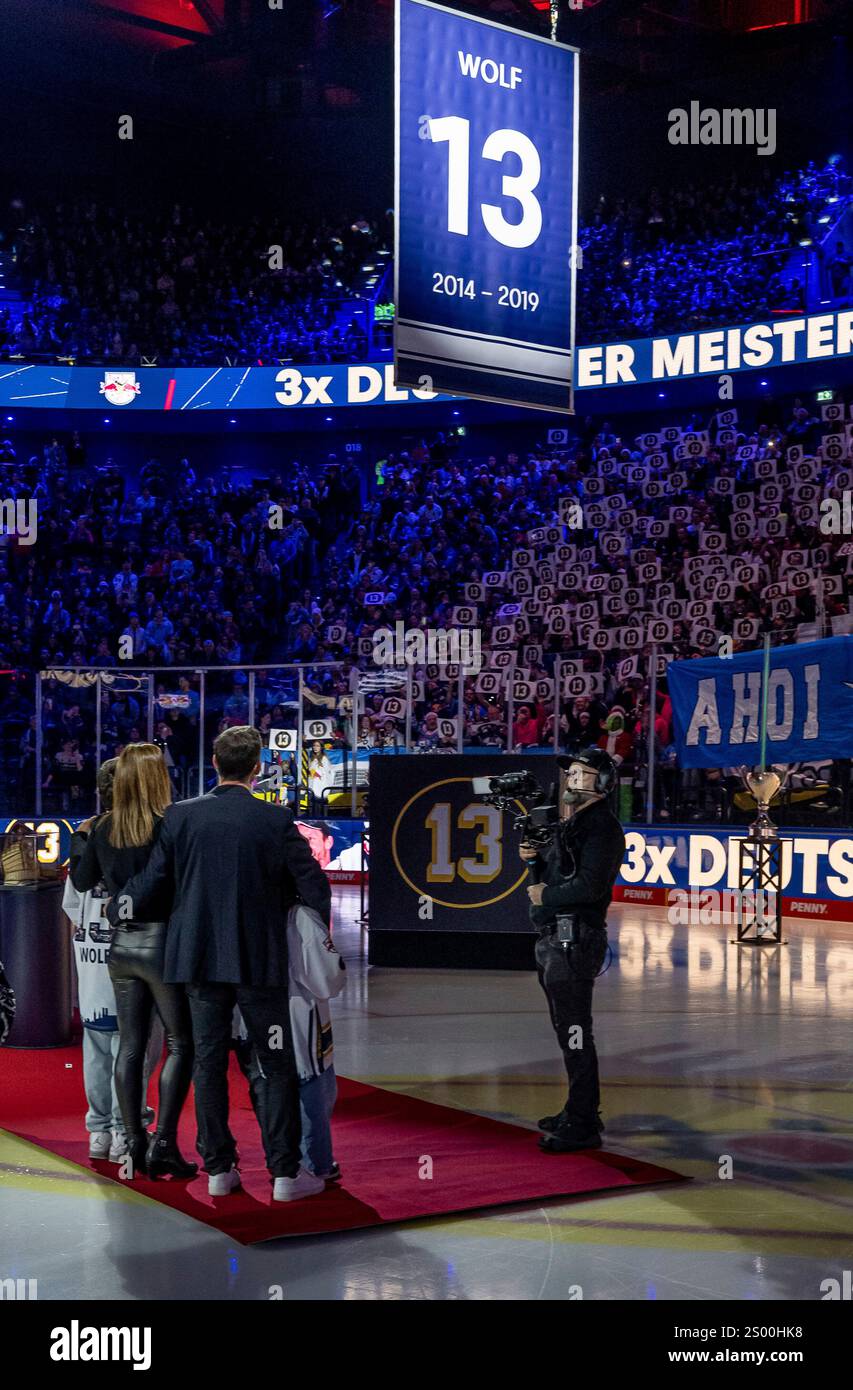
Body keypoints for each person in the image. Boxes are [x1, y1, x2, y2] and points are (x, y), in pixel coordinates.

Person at [110, 725, 332, 1203]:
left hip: (197, 961)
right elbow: (314, 885)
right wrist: (315, 934)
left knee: (208, 1063)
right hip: (259, 964)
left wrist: (119, 907)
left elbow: (153, 881)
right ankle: (285, 1175)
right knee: (275, 1064)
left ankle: (219, 1169)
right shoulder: (275, 819)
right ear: (258, 769)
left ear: (214, 763)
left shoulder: (180, 817)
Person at [71, 744, 196, 1181]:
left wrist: (82, 837)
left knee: (130, 1045)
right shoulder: (169, 825)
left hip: (120, 949)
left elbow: (82, 880)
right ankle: (162, 1142)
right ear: (155, 778)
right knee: (181, 1045)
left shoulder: (103, 828)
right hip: (163, 946)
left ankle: (132, 1142)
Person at [520, 749, 625, 1154]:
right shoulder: (573, 823)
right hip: (556, 937)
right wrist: (534, 861)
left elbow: (589, 886)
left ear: (602, 783)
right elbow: (559, 874)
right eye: (572, 773)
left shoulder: (602, 828)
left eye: (583, 773)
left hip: (575, 939)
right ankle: (579, 1110)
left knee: (576, 1034)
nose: (572, 779)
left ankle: (582, 1123)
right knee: (568, 1033)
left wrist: (546, 893)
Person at [65, 759, 162, 1162]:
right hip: (131, 963)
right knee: (134, 1050)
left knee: (98, 1051)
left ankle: (100, 1131)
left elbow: (72, 903)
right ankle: (127, 1129)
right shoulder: (144, 840)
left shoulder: (90, 841)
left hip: (92, 971)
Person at [234, 902, 346, 1182]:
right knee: (313, 1090)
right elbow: (327, 979)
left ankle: (280, 1162)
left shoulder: (234, 908)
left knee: (266, 1087)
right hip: (298, 1018)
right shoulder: (299, 916)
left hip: (249, 1015)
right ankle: (313, 1164)